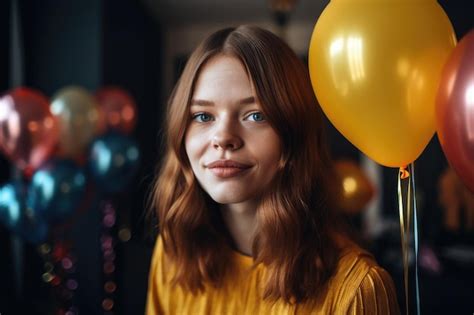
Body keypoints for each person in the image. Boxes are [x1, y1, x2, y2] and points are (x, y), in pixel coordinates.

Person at [146, 25, 400, 314]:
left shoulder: (356, 290)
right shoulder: (174, 254)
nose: (223, 137)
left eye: (256, 115)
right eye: (203, 116)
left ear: (294, 135)